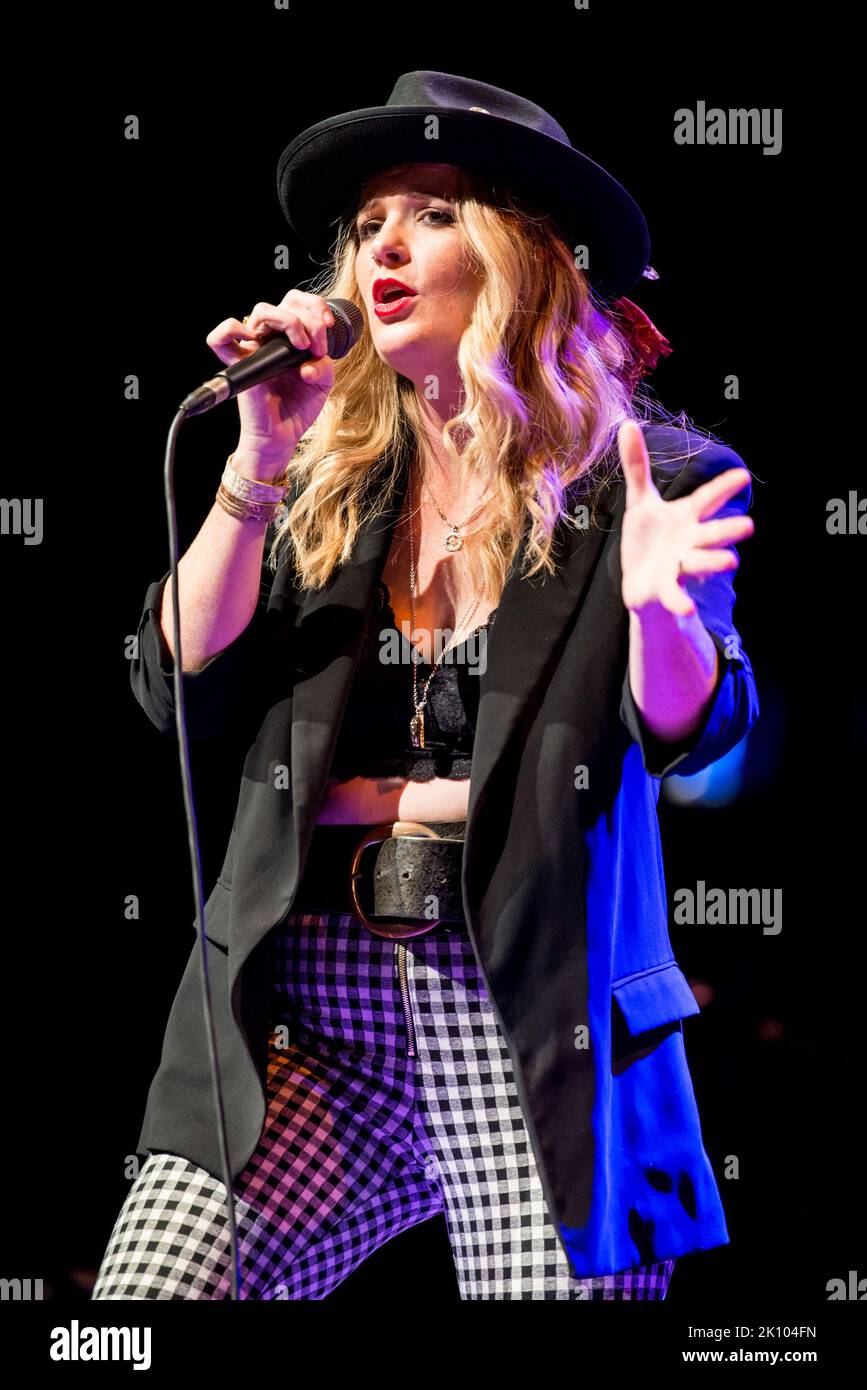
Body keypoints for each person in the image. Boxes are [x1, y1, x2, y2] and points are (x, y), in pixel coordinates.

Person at [92, 71, 759, 1301]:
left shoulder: (641, 478)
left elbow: (691, 720)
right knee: (142, 1309)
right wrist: (258, 461)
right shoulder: (320, 480)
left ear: (521, 252)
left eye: (433, 213)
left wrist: (662, 613)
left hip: (525, 1004)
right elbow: (171, 674)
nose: (382, 245)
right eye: (366, 225)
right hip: (305, 1016)